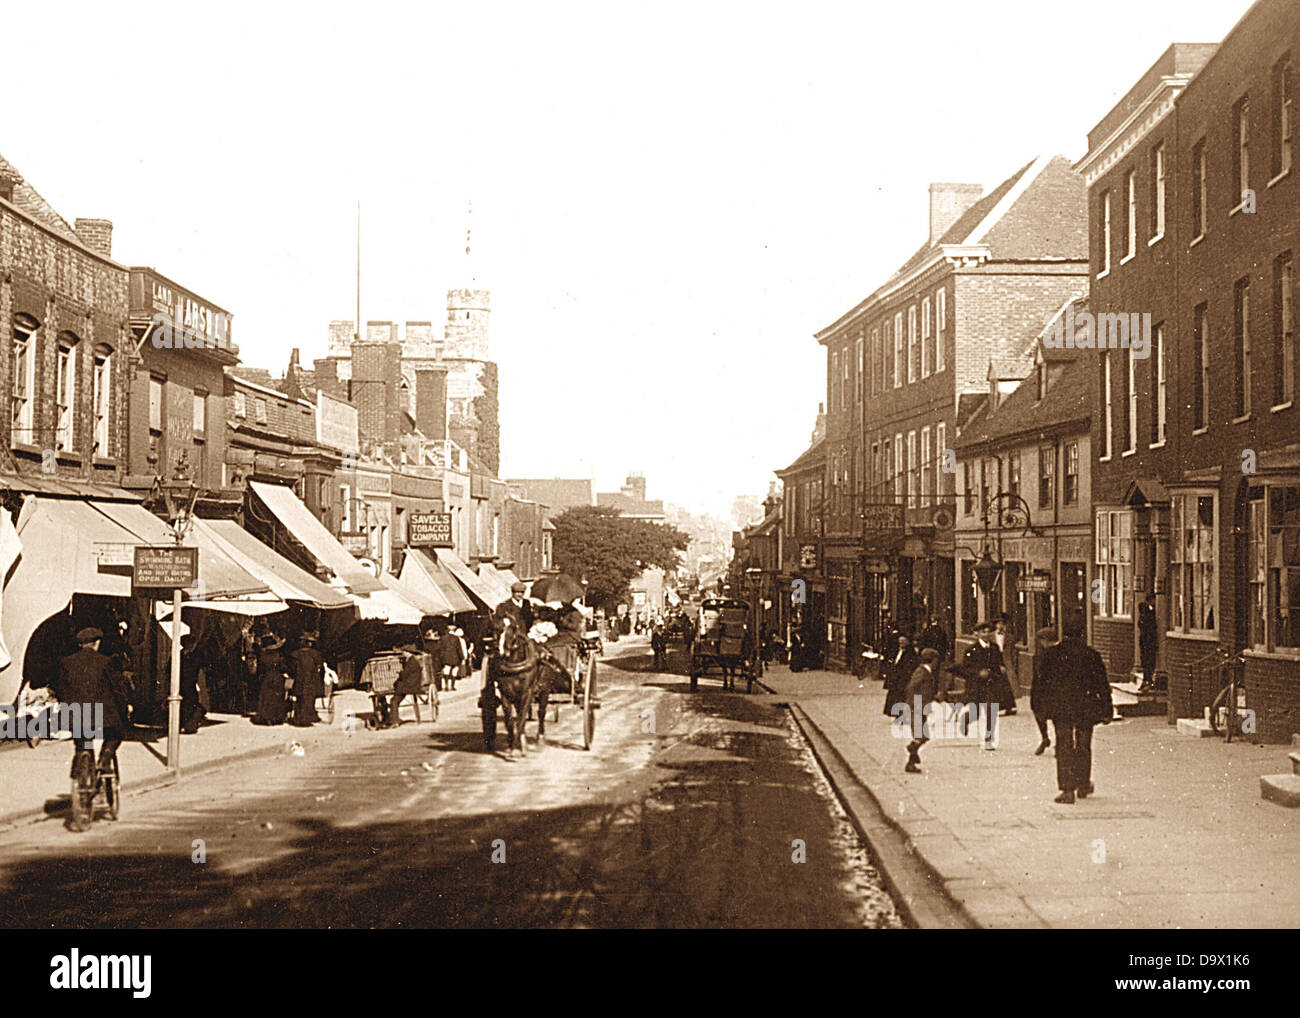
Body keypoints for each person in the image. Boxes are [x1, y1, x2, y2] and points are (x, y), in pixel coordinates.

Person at [1036, 613, 1114, 804]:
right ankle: (1083, 783)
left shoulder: (1051, 655)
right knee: (1083, 744)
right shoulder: (1091, 655)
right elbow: (1102, 684)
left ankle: (1067, 789)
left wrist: (1041, 708)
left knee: (1064, 745)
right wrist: (1107, 709)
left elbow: (1041, 684)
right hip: (1085, 706)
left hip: (1061, 707)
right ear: (1082, 632)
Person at [58, 628, 130, 830]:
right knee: (115, 734)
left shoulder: (66, 662)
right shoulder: (106, 661)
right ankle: (103, 761)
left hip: (76, 715)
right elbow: (117, 688)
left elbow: (61, 689)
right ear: (96, 643)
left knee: (83, 743)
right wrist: (125, 706)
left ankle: (84, 762)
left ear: (80, 644)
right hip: (103, 715)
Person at [958, 621, 1005, 748]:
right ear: (977, 634)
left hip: (991, 684)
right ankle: (965, 720)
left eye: (988, 632)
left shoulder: (995, 648)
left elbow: (1000, 663)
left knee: (991, 712)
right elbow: (965, 669)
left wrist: (1001, 669)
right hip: (976, 686)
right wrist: (978, 673)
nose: (986, 634)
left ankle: (989, 739)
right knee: (976, 712)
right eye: (983, 632)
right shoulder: (971, 650)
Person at [903, 648, 943, 773]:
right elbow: (912, 688)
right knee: (920, 736)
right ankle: (911, 756)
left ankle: (912, 759)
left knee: (923, 736)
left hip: (920, 708)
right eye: (936, 660)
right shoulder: (922, 672)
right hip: (917, 708)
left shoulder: (925, 671)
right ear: (933, 660)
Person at [289, 631, 326, 726]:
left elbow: (292, 669)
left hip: (300, 680)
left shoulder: (295, 654)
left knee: (300, 699)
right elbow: (320, 667)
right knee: (310, 699)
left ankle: (299, 717)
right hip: (312, 681)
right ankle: (310, 716)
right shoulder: (315, 654)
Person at [253, 633, 289, 725]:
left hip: (267, 677)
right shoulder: (278, 655)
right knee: (277, 697)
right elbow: (284, 667)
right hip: (277, 677)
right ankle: (277, 717)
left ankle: (266, 717)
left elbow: (260, 669)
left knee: (267, 698)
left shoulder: (263, 655)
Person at [1030, 626, 1056, 755]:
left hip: (1049, 690)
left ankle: (1048, 738)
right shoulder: (1041, 654)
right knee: (1041, 713)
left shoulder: (1051, 654)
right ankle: (1046, 739)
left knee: (1052, 715)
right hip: (1042, 690)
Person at [882, 633, 920, 717]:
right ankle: (896, 713)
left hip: (903, 678)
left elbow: (910, 666)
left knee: (902, 697)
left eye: (903, 641)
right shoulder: (897, 651)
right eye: (900, 642)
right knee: (895, 696)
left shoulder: (910, 653)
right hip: (895, 678)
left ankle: (902, 714)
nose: (901, 643)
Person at [992, 614, 1019, 713]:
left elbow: (1013, 652)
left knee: (1008, 685)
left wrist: (1013, 663)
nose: (1000, 626)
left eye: (1003, 624)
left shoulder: (1010, 637)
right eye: (998, 624)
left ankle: (1009, 706)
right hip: (995, 662)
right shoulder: (991, 636)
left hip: (1007, 662)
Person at [1137, 592, 1158, 692]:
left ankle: (1148, 680)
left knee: (1148, 662)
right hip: (1147, 641)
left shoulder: (1146, 613)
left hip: (1147, 641)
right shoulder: (1147, 612)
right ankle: (1147, 680)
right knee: (1147, 662)